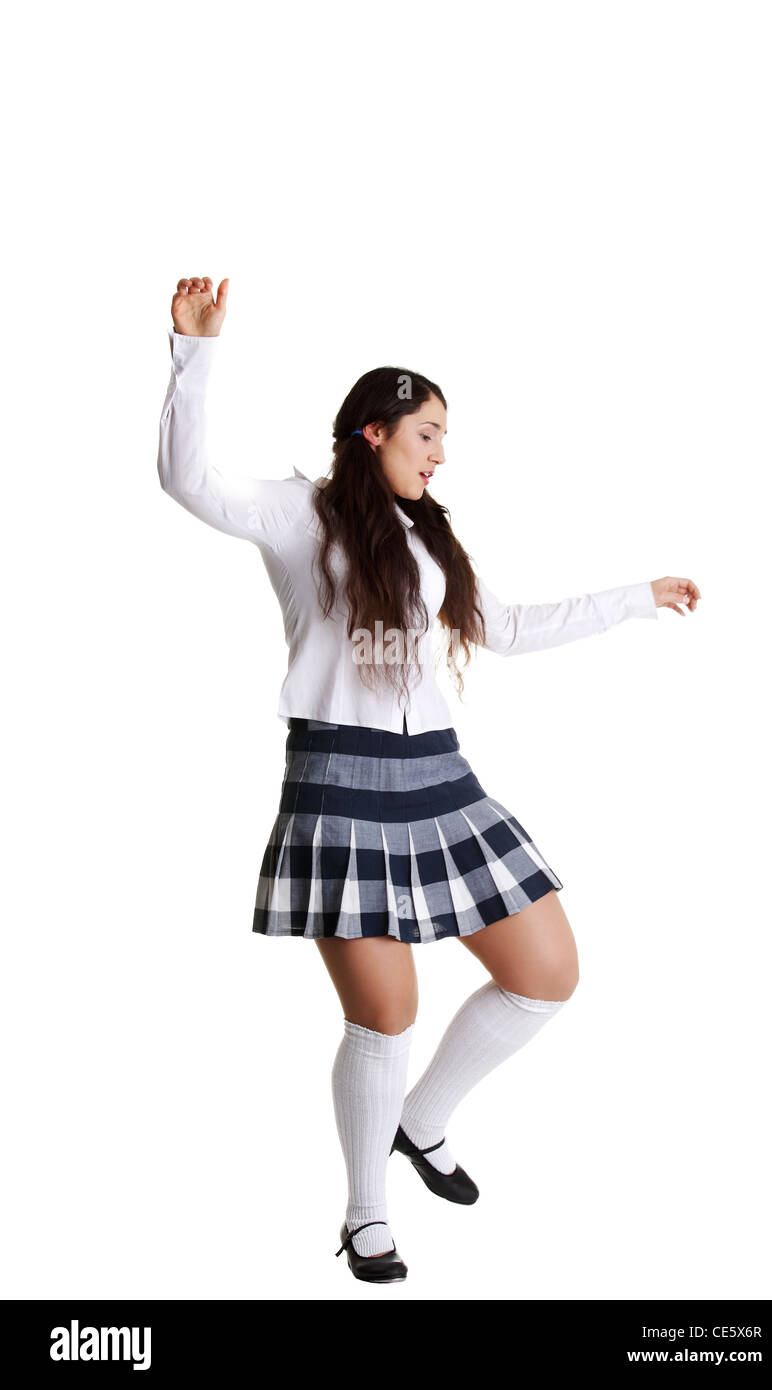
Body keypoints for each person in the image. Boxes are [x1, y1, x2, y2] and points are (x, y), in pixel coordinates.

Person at [157, 274, 701, 1285]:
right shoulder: (297, 515)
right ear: (373, 432)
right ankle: (366, 1213)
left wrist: (637, 594)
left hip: (443, 782)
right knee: (383, 1016)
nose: (440, 451)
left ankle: (422, 1120)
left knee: (544, 976)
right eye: (426, 433)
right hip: (338, 786)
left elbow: (508, 628)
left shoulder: (431, 536)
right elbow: (189, 482)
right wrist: (197, 353)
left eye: (443, 436)